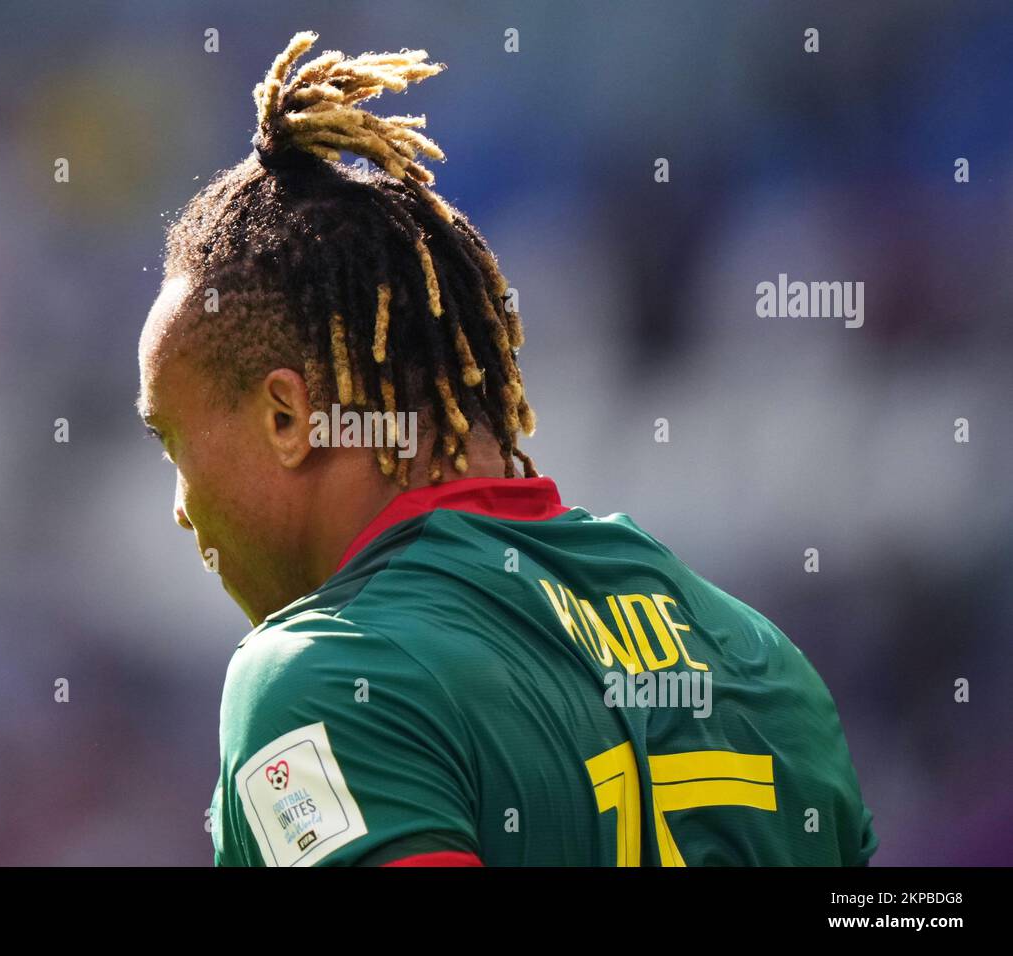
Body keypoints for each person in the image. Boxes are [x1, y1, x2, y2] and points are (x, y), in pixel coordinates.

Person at [136, 32, 878, 867]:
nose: (178, 505)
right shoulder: (759, 660)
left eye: (171, 443)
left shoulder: (326, 677)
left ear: (286, 417)